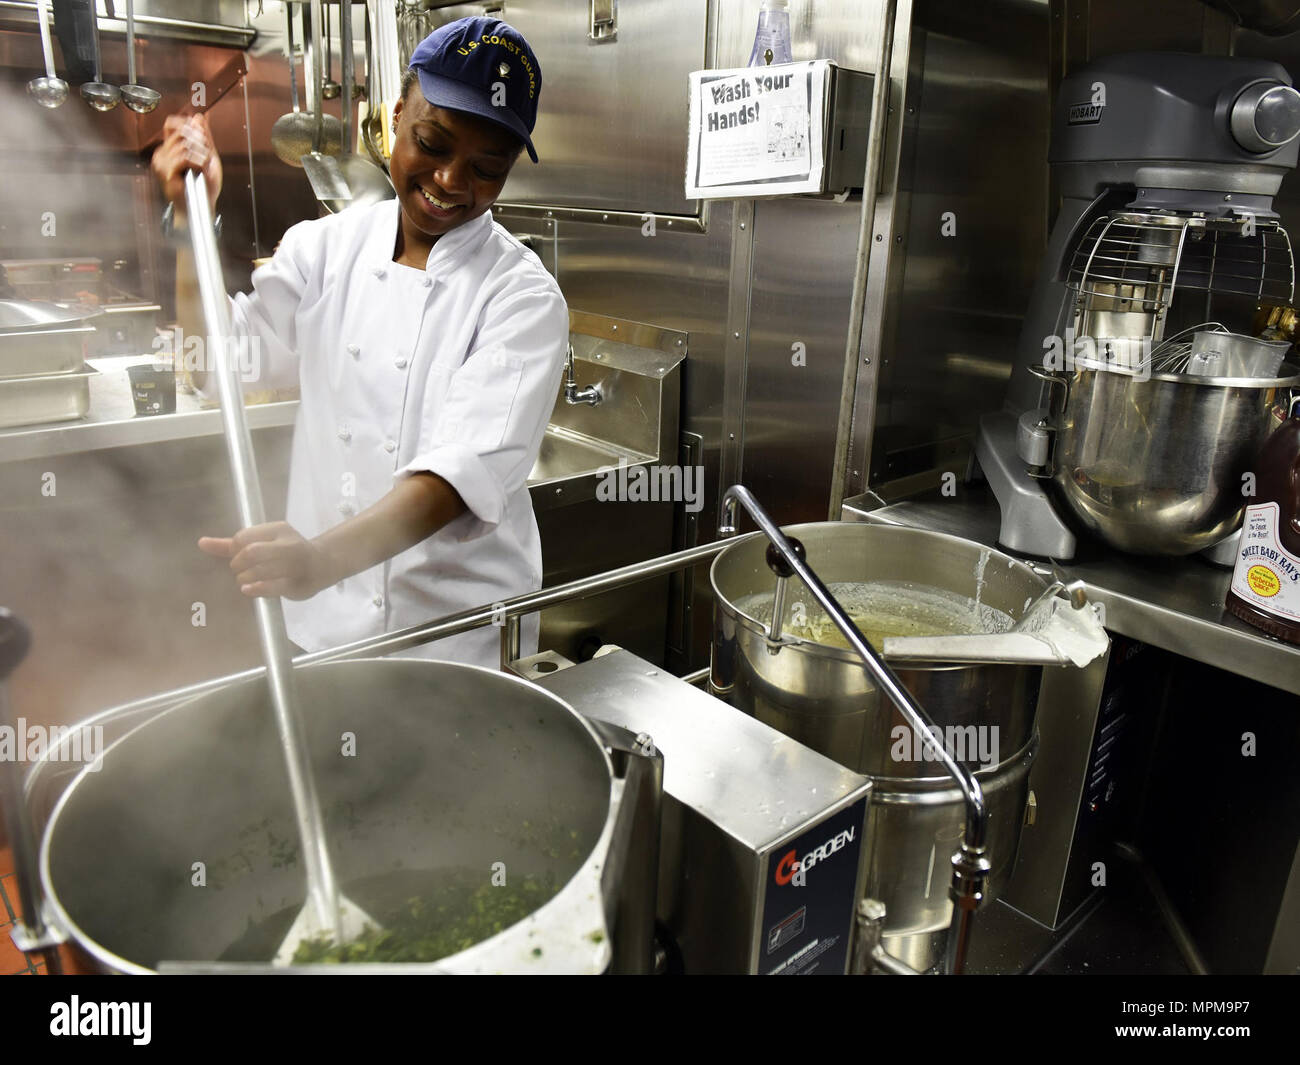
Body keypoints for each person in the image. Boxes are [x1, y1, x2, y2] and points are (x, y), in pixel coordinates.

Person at [150, 17, 567, 669]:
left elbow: (456, 479)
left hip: (455, 639)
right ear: (396, 116)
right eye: (433, 143)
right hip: (325, 626)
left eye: (487, 168)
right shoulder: (324, 247)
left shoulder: (522, 296)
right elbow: (218, 366)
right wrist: (188, 224)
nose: (453, 181)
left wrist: (320, 559)